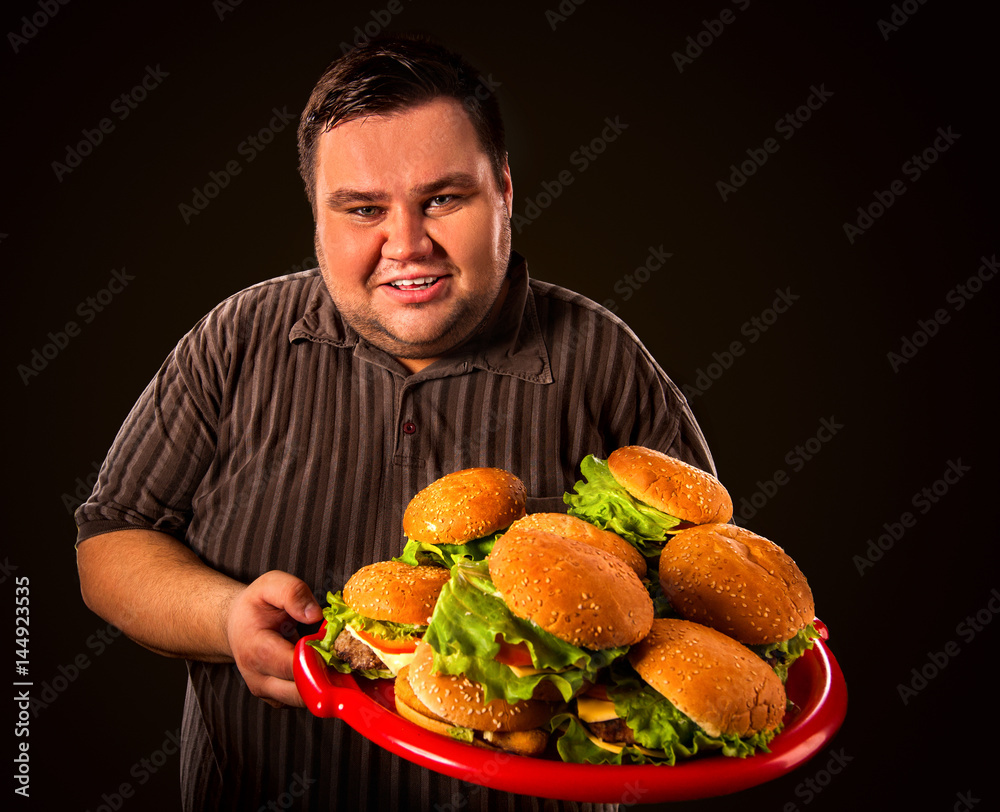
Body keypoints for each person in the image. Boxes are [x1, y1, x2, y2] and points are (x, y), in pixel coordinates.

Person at [75, 34, 716, 811]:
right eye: (364, 209)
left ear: (504, 191)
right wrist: (224, 617)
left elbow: (704, 602)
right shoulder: (236, 338)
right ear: (317, 215)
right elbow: (111, 538)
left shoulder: (606, 360)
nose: (407, 244)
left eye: (443, 199)